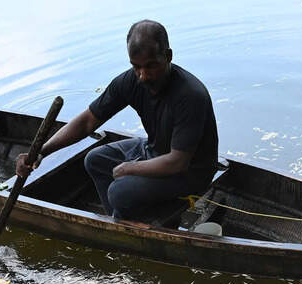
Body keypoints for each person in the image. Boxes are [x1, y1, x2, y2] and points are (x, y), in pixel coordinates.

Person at [16, 20, 218, 220]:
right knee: (95, 160)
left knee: (118, 192)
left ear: (168, 56)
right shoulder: (130, 81)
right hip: (154, 150)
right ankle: (121, 222)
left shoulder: (190, 96)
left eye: (151, 66)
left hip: (189, 173)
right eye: (136, 67)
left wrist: (130, 168)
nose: (143, 76)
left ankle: (136, 223)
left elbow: (177, 162)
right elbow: (87, 121)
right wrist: (41, 151)